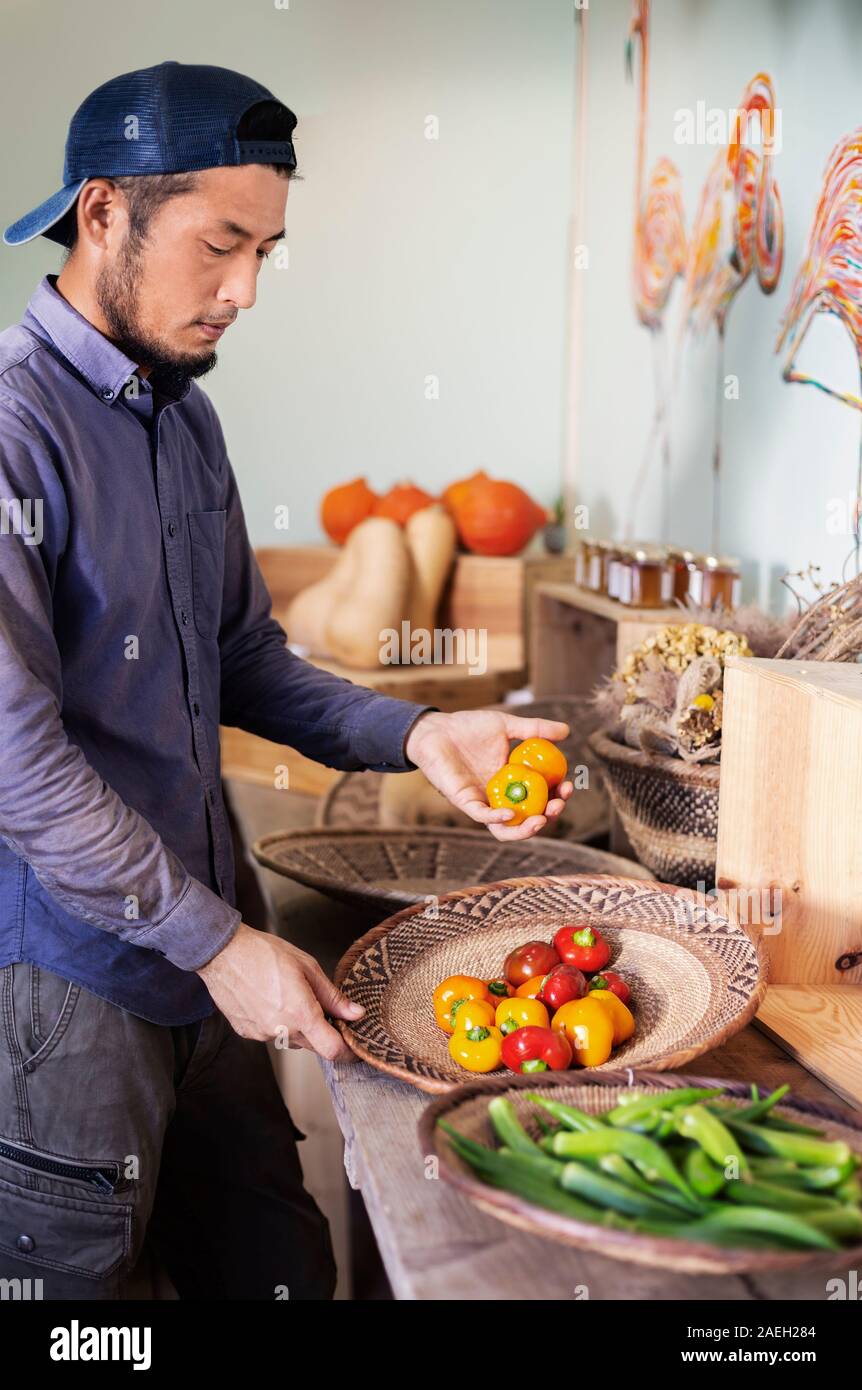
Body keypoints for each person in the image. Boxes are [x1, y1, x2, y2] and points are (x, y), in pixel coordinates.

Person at [0, 62, 573, 1299]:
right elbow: (20, 767)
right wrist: (219, 947)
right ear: (103, 213)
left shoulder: (180, 415)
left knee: (277, 1266)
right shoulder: (12, 427)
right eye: (220, 244)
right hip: (67, 991)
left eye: (266, 249)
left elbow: (244, 657)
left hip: (211, 953)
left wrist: (419, 737)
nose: (246, 290)